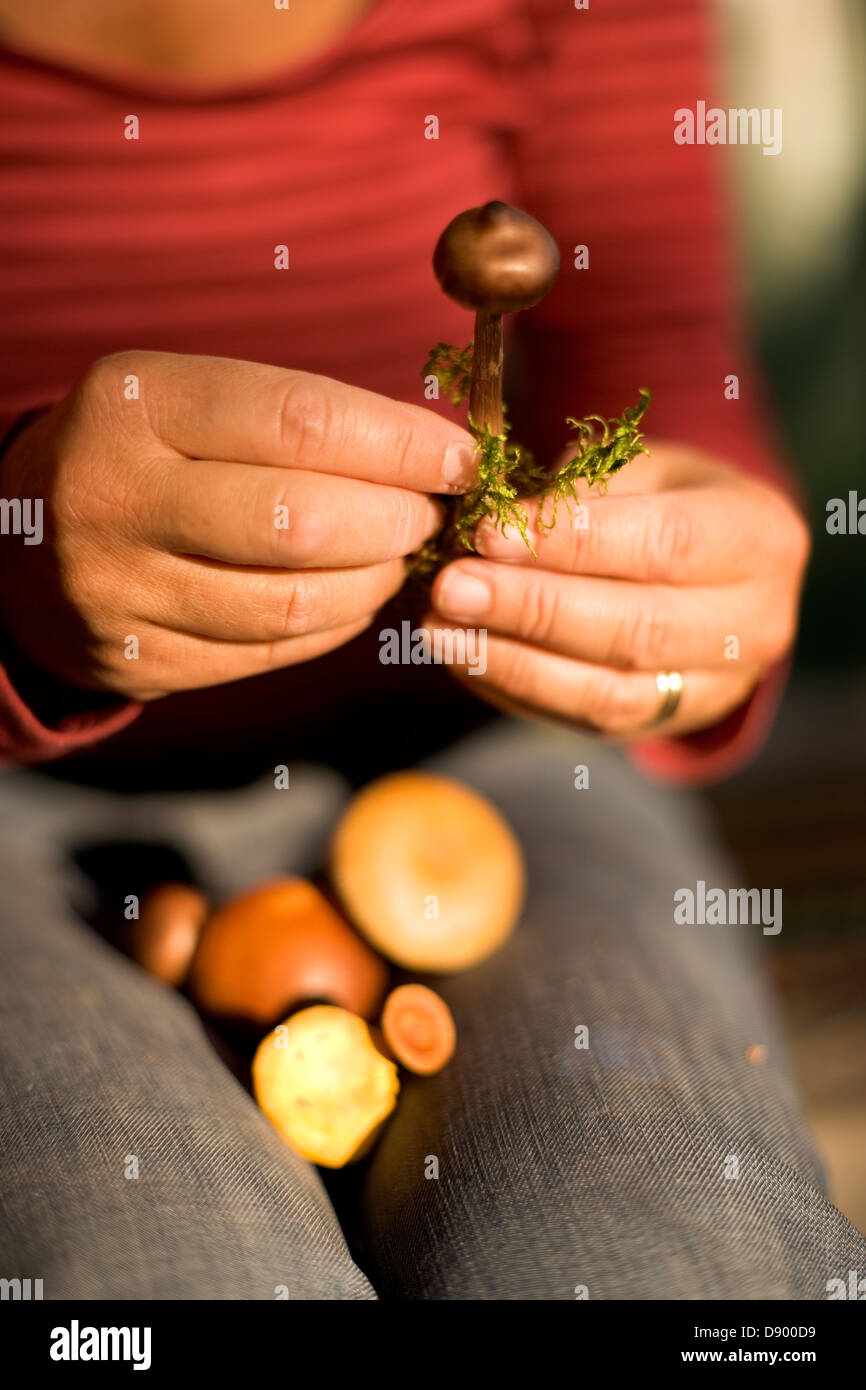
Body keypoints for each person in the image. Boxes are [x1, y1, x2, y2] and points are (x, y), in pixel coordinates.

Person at [0, 0, 861, 1299]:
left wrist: (698, 583)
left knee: (686, 1251)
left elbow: (659, 354)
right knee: (143, 1272)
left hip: (492, 762)